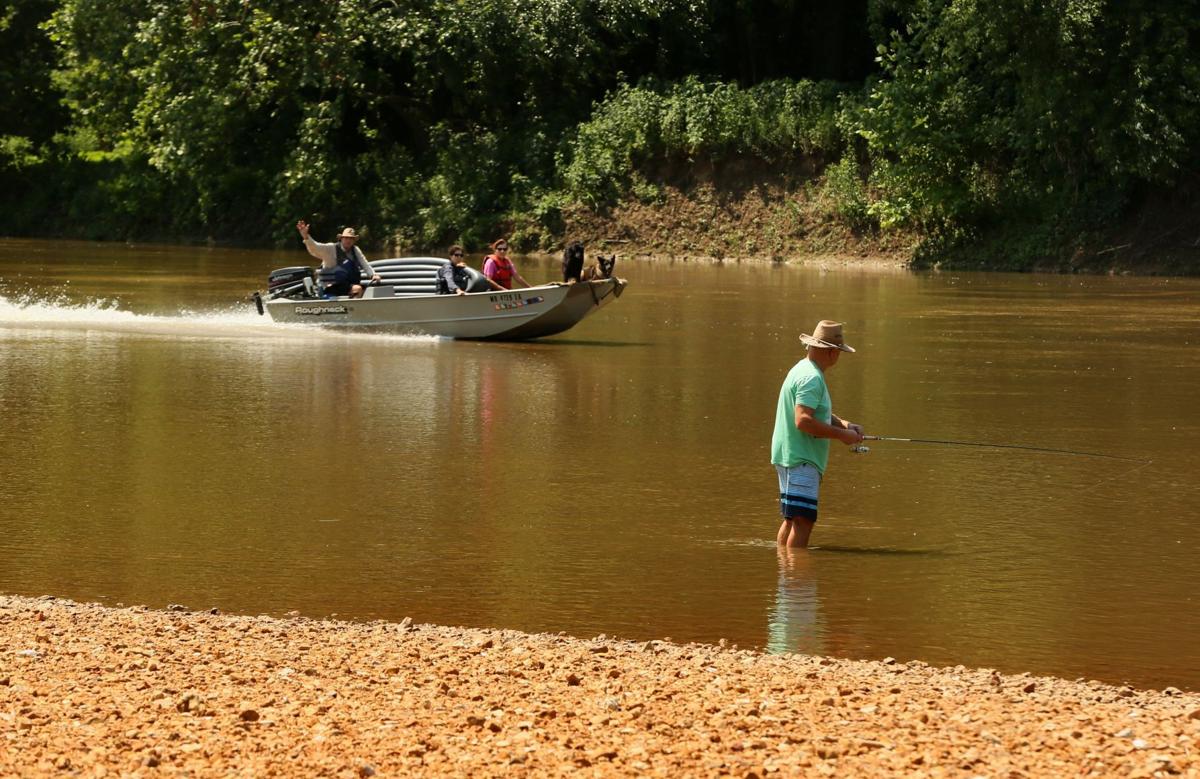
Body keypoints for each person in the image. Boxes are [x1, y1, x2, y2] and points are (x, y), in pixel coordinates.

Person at [770, 320, 865, 548]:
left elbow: (815, 412)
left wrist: (844, 425)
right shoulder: (812, 378)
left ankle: (786, 573)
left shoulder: (802, 369)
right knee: (803, 522)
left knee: (793, 519)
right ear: (832, 352)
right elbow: (803, 420)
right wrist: (841, 436)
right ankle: (795, 580)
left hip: (789, 456)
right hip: (801, 459)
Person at [295, 220, 380, 298]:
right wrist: (306, 237)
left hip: (346, 286)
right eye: (346, 238)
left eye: (351, 238)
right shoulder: (331, 248)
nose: (348, 240)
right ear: (341, 239)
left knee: (367, 290)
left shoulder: (355, 250)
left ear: (354, 240)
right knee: (357, 289)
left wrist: (373, 274)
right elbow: (316, 248)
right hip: (330, 286)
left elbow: (364, 263)